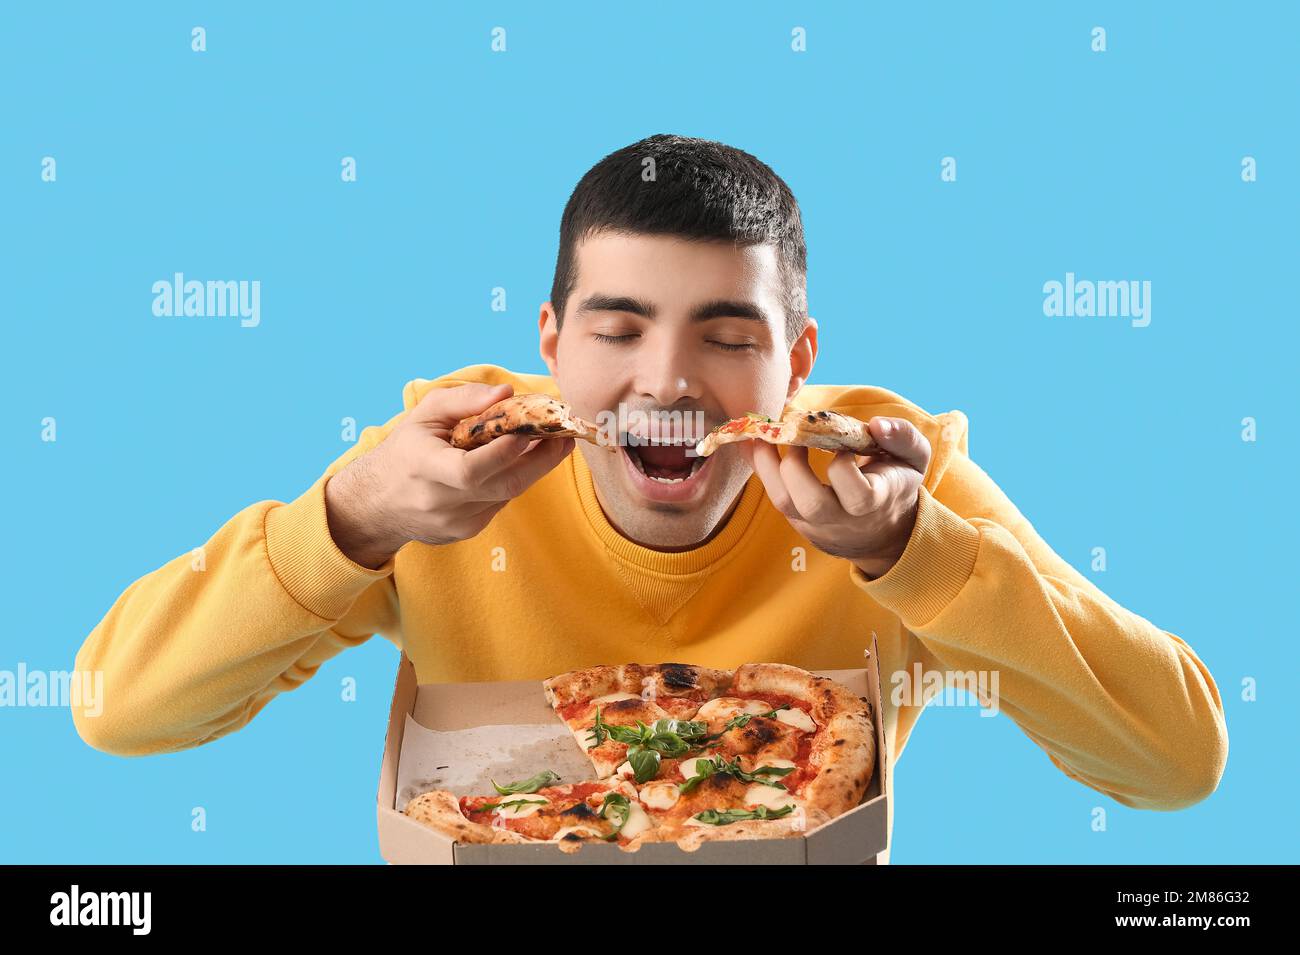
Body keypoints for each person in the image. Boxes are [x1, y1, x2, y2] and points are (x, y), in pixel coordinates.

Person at [72, 134, 1228, 839]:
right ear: (551, 344)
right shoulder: (441, 464)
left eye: (726, 334)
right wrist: (352, 517)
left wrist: (912, 552)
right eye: (618, 328)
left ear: (799, 363)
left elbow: (1176, 762)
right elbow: (119, 708)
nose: (666, 376)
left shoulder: (881, 476)